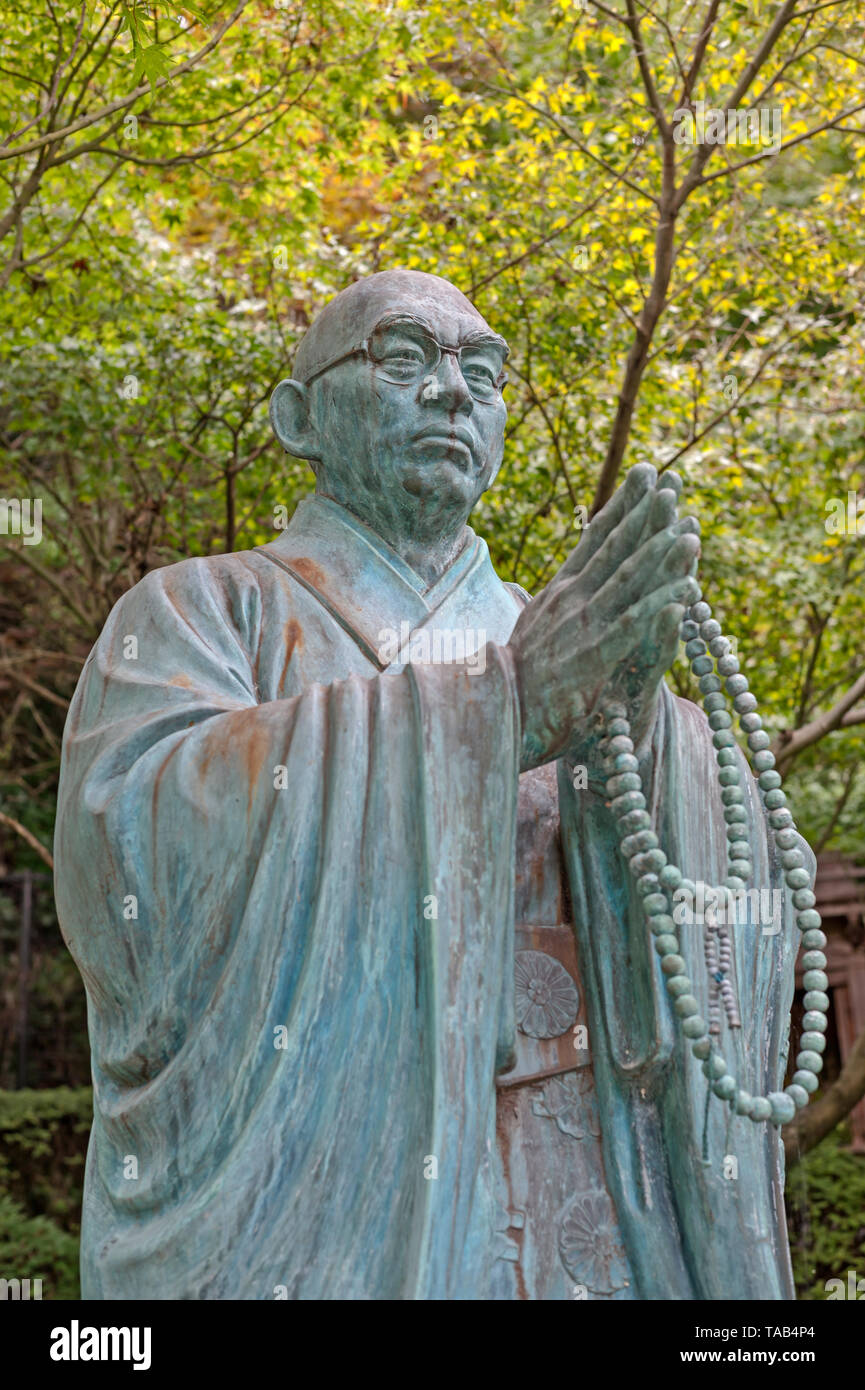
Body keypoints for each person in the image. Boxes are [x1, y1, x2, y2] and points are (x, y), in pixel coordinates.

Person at [55, 269, 801, 1299]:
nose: (453, 390)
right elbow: (127, 852)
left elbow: (734, 905)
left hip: (586, 1189)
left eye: (482, 371)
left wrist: (640, 729)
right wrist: (506, 706)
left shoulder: (559, 627)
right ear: (297, 417)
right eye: (405, 357)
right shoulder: (199, 610)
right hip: (339, 1200)